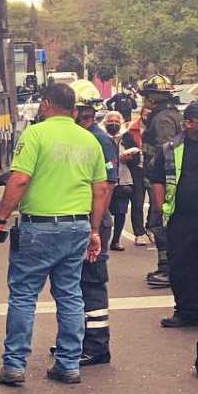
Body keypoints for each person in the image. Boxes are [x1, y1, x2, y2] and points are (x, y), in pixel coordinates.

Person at [0, 82, 109, 386]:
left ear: (45, 105)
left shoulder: (35, 134)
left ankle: (14, 365)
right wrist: (94, 231)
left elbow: (19, 180)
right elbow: (101, 189)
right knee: (69, 294)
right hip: (77, 227)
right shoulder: (89, 140)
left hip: (39, 228)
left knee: (24, 295)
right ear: (74, 109)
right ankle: (68, 365)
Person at [149, 101, 198, 337]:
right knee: (183, 268)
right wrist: (161, 208)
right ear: (189, 124)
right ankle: (188, 312)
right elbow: (156, 178)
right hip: (181, 219)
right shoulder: (169, 149)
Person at [70, 81, 117, 364]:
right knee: (77, 284)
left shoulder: (99, 140)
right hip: (85, 220)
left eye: (82, 112)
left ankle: (97, 346)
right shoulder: (83, 139)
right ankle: (80, 340)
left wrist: (94, 226)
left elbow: (107, 187)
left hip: (94, 221)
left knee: (92, 283)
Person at [140, 74, 183, 288]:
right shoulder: (167, 115)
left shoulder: (163, 119)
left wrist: (161, 183)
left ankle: (167, 270)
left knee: (160, 223)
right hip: (163, 180)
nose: (144, 100)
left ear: (154, 98)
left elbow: (167, 153)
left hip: (163, 182)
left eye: (147, 96)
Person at [104, 111, 134, 251]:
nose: (114, 124)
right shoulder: (102, 138)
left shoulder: (127, 137)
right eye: (110, 122)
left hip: (124, 180)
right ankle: (102, 238)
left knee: (121, 212)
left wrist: (130, 157)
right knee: (103, 211)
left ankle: (116, 241)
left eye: (116, 121)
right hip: (105, 181)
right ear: (105, 123)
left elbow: (138, 158)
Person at [123, 111, 149, 246]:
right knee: (138, 202)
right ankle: (139, 232)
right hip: (137, 170)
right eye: (145, 113)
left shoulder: (155, 129)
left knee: (157, 203)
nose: (147, 115)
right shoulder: (130, 131)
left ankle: (151, 227)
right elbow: (125, 150)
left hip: (152, 170)